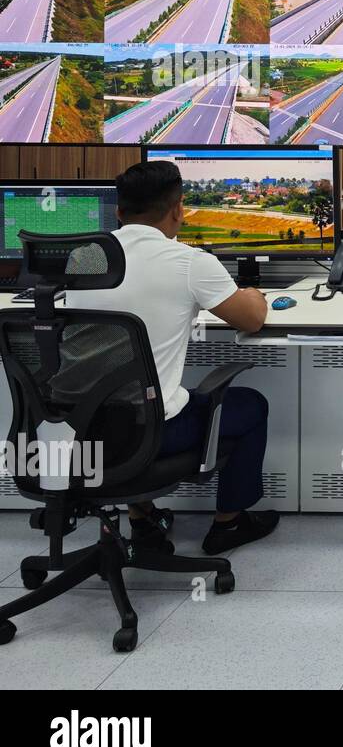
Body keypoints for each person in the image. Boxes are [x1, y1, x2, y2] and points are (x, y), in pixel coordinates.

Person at [64, 161, 280, 555]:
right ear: (178, 209)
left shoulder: (85, 258)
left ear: (118, 211)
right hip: (149, 433)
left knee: (123, 391)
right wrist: (254, 294)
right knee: (250, 405)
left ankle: (143, 520)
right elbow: (251, 319)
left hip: (78, 429)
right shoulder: (189, 263)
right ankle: (228, 524)